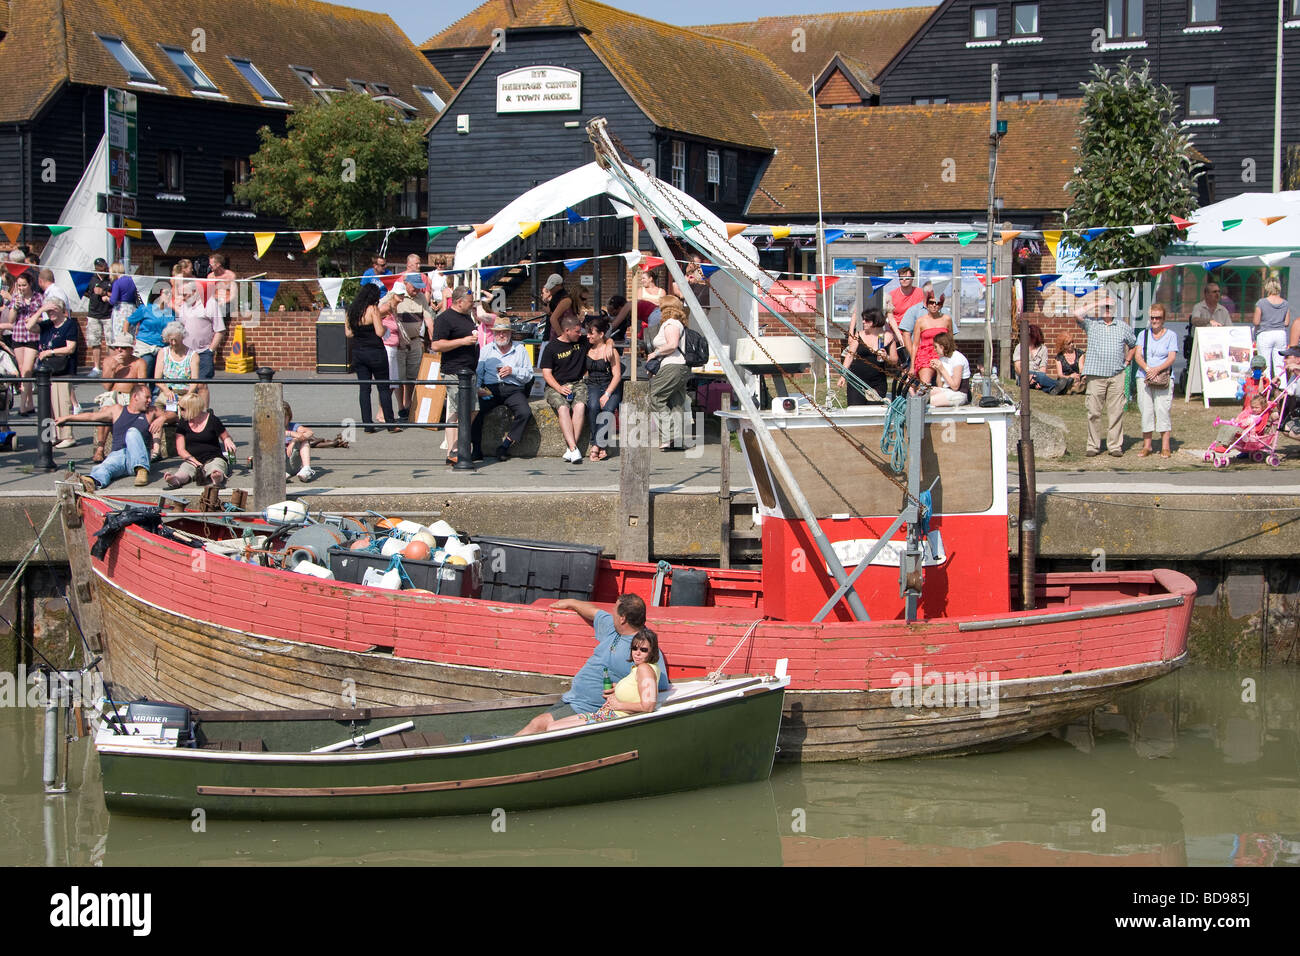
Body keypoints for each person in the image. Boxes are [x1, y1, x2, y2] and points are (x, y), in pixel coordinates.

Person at [515, 594, 671, 736]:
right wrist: (572, 602)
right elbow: (594, 611)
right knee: (537, 724)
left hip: (589, 706)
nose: (611, 612)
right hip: (573, 697)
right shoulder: (613, 627)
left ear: (623, 618)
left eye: (614, 610)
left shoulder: (644, 647)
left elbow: (659, 684)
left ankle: (499, 755)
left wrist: (623, 689)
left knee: (538, 725)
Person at [547, 628, 662, 728]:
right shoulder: (643, 668)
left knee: (554, 728)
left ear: (652, 651)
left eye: (643, 650)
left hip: (613, 718)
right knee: (552, 725)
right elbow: (638, 689)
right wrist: (618, 688)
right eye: (634, 648)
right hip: (605, 715)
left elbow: (648, 706)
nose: (637, 653)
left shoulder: (644, 669)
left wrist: (618, 705)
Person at [62, 383, 154, 489]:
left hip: (138, 457)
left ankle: (142, 470)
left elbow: (172, 415)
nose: (150, 400)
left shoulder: (151, 411)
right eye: (147, 397)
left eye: (150, 398)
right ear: (135, 397)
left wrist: (162, 419)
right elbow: (92, 416)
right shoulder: (117, 410)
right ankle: (92, 482)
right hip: (118, 455)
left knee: (132, 432)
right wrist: (67, 418)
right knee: (105, 466)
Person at [1075, 295, 1136, 457]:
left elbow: (1133, 345)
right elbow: (1076, 314)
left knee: (1116, 412)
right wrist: (1098, 302)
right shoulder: (1092, 324)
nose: (1107, 310)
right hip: (1096, 376)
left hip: (1116, 375)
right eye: (1105, 308)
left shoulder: (1122, 326)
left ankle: (1115, 446)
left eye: (1110, 307)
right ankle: (1093, 446)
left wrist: (1127, 361)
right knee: (1093, 412)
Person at [470, 318, 533, 461]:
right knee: (475, 409)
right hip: (490, 389)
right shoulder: (486, 350)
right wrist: (478, 388)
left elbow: (529, 375)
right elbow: (479, 373)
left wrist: (513, 371)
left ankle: (505, 445)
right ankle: (477, 449)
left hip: (513, 389)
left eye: (504, 332)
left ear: (510, 334)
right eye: (498, 333)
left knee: (525, 412)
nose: (501, 335)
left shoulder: (520, 349)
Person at [430, 285, 479, 464]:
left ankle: (458, 446)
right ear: (459, 302)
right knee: (459, 409)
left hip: (469, 371)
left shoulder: (467, 316)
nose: (472, 304)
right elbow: (436, 345)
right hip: (453, 370)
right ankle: (454, 450)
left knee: (472, 409)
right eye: (470, 301)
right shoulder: (445, 319)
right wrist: (463, 342)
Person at [344, 283, 399, 434]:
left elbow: (348, 333)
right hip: (375, 352)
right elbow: (380, 332)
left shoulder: (351, 311)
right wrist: (386, 327)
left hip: (359, 352)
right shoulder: (373, 309)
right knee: (383, 387)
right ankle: (390, 423)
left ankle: (367, 424)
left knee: (364, 389)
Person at [90, 335, 150, 464]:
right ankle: (100, 449)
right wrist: (113, 368)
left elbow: (142, 386)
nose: (119, 350)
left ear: (130, 349)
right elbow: (106, 386)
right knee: (105, 411)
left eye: (123, 347)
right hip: (113, 395)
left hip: (131, 396)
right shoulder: (108, 361)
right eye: (116, 347)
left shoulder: (139, 362)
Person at [29, 296, 80, 448]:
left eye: (52, 310)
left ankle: (67, 436)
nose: (50, 313)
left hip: (63, 369)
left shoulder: (69, 325)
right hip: (47, 371)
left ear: (60, 309)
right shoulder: (46, 325)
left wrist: (50, 352)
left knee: (62, 403)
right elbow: (29, 327)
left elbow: (70, 348)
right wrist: (41, 310)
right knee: (48, 405)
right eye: (48, 310)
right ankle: (51, 436)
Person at [540, 313, 588, 463]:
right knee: (563, 408)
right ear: (567, 331)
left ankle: (570, 449)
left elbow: (603, 338)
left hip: (577, 383)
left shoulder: (582, 342)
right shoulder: (551, 347)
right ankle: (574, 448)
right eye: (577, 331)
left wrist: (610, 342)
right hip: (555, 385)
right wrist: (559, 388)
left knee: (580, 406)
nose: (580, 334)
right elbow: (546, 374)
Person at [164, 390, 236, 489]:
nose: (180, 411)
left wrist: (227, 440)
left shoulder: (212, 420)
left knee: (216, 467)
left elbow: (225, 436)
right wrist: (195, 462)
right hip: (192, 459)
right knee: (185, 470)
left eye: (182, 409)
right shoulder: (183, 423)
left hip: (213, 457)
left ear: (192, 409)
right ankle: (176, 479)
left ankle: (217, 478)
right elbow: (180, 449)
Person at [646, 294, 691, 452]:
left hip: (672, 366)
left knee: (655, 397)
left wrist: (655, 353)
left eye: (660, 307)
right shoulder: (678, 324)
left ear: (665, 308)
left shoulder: (671, 323)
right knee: (676, 402)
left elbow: (672, 345)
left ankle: (670, 435)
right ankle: (678, 440)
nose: (658, 310)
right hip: (681, 367)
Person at [1134, 305, 1178, 459]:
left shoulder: (1171, 335)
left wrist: (1157, 369)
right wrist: (1147, 369)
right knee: (1146, 410)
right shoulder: (1143, 334)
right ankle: (1147, 445)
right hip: (1144, 376)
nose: (1155, 320)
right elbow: (1138, 355)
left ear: (1164, 319)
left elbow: (1172, 357)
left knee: (1162, 409)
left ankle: (1165, 446)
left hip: (1163, 377)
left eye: (1158, 317)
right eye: (1152, 317)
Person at [393, 273, 436, 420]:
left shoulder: (421, 298)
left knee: (412, 376)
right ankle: (400, 407)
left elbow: (429, 320)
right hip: (399, 344)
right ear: (406, 283)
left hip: (416, 341)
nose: (417, 290)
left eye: (419, 287)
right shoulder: (396, 295)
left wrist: (434, 341)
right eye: (414, 287)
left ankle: (408, 404)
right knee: (398, 377)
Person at [0, 273, 42, 415]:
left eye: (24, 285)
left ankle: (23, 406)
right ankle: (29, 403)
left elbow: (44, 317)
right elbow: (11, 320)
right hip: (18, 336)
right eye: (19, 285)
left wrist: (34, 318)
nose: (21, 288)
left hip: (32, 336)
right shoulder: (16, 298)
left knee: (26, 371)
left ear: (30, 284)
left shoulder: (38, 297)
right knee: (23, 370)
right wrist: (15, 307)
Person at [838, 307, 897, 405]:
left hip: (877, 381)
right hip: (857, 379)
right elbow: (849, 356)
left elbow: (895, 360)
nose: (863, 322)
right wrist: (843, 375)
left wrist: (886, 357)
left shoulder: (887, 336)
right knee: (855, 410)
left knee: (875, 411)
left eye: (867, 320)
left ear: (875, 321)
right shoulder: (859, 335)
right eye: (863, 319)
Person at [583, 315, 623, 460]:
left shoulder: (610, 351)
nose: (588, 336)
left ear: (600, 334)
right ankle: (600, 445)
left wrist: (607, 394)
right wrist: (610, 341)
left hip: (610, 385)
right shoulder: (587, 347)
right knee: (593, 406)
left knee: (607, 409)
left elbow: (617, 376)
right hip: (593, 384)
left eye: (591, 333)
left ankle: (596, 445)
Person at [175, 277, 224, 379]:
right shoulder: (184, 305)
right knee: (186, 386)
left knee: (202, 386)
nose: (182, 298)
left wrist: (210, 351)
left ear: (194, 292)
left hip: (203, 353)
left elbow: (219, 330)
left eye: (185, 294)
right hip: (185, 353)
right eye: (181, 295)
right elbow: (181, 327)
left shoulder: (210, 303)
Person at [910, 293, 953, 386]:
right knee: (924, 384)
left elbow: (951, 341)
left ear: (941, 305)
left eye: (937, 303)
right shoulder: (920, 321)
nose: (934, 305)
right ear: (927, 304)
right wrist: (912, 366)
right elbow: (915, 345)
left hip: (943, 354)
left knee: (945, 383)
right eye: (931, 302)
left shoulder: (947, 319)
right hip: (925, 355)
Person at [1253, 274, 1291, 377]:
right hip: (1280, 334)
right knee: (1279, 364)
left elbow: (1256, 322)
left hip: (1265, 333)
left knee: (1265, 364)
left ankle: (1266, 388)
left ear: (1267, 287)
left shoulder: (1261, 303)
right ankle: (1281, 388)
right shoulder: (1285, 303)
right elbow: (1287, 323)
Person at [1013, 323, 1067, 394]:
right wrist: (1027, 376)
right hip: (1022, 376)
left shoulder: (1043, 349)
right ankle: (1062, 385)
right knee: (1041, 378)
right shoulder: (1019, 347)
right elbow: (1017, 367)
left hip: (1038, 375)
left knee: (1041, 377)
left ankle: (1052, 390)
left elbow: (1042, 369)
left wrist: (1039, 381)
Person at [126, 286, 175, 360]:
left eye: (171, 293)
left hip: (163, 348)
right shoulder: (145, 308)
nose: (169, 296)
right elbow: (128, 321)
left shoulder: (172, 312)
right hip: (145, 347)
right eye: (166, 293)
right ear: (158, 294)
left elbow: (174, 329)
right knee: (147, 364)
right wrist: (127, 337)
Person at [926, 331, 970, 407]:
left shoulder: (957, 359)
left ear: (942, 346)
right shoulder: (942, 358)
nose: (934, 350)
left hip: (959, 394)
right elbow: (940, 386)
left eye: (936, 347)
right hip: (947, 390)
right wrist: (938, 370)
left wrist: (942, 369)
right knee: (924, 394)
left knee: (929, 401)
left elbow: (955, 386)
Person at [86, 258, 113, 376]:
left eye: (104, 267)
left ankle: (110, 366)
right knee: (95, 341)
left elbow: (115, 295)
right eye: (100, 268)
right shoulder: (91, 279)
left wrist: (104, 293)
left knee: (110, 342)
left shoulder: (110, 279)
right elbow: (86, 292)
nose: (102, 270)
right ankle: (96, 367)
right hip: (93, 314)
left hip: (108, 314)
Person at [107, 261, 140, 344]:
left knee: (119, 336)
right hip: (132, 309)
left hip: (120, 310)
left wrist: (107, 298)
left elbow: (113, 300)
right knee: (130, 335)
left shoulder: (117, 282)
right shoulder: (132, 280)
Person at [283, 401, 316, 482]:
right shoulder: (271, 427)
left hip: (292, 462)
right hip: (277, 463)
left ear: (289, 416)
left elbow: (310, 432)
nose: (281, 420)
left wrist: (293, 440)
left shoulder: (293, 426)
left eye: (284, 417)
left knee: (304, 440)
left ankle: (306, 469)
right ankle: (281, 475)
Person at [542, 274, 577, 342]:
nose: (550, 289)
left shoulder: (564, 299)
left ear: (559, 285)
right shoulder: (556, 297)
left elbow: (554, 318)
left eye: (552, 287)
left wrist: (561, 337)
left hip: (557, 336)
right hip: (552, 335)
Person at [208, 253, 236, 320]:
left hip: (227, 302)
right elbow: (210, 294)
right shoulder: (210, 276)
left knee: (220, 311)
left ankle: (219, 329)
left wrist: (223, 302)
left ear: (218, 264)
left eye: (211, 264)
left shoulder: (230, 275)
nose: (209, 266)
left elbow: (233, 295)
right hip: (215, 301)